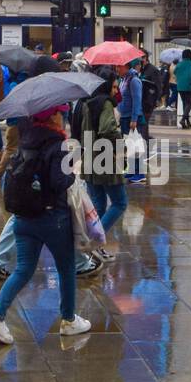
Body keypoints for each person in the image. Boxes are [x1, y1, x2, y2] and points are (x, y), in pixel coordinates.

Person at [0, 107, 91, 344]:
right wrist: (71, 171)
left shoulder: (25, 141)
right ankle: (69, 320)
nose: (63, 117)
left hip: (23, 218)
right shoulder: (57, 144)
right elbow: (60, 182)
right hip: (53, 219)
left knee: (22, 269)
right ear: (53, 117)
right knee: (66, 268)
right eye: (61, 113)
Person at [78, 69, 126, 261]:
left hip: (90, 154)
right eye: (114, 86)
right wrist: (119, 142)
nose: (115, 91)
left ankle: (91, 245)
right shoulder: (105, 103)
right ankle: (95, 243)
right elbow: (107, 129)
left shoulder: (87, 103)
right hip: (105, 155)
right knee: (120, 202)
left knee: (97, 204)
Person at [117, 60, 146, 182]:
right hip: (124, 117)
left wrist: (134, 118)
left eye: (119, 66)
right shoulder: (124, 79)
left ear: (126, 66)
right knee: (129, 145)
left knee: (135, 145)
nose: (117, 68)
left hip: (132, 118)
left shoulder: (134, 80)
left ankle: (139, 173)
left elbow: (137, 100)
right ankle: (131, 170)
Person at [174, 48, 191, 129]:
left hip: (180, 87)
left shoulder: (179, 64)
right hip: (190, 86)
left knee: (185, 104)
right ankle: (183, 119)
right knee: (189, 103)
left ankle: (187, 122)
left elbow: (175, 72)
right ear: (190, 55)